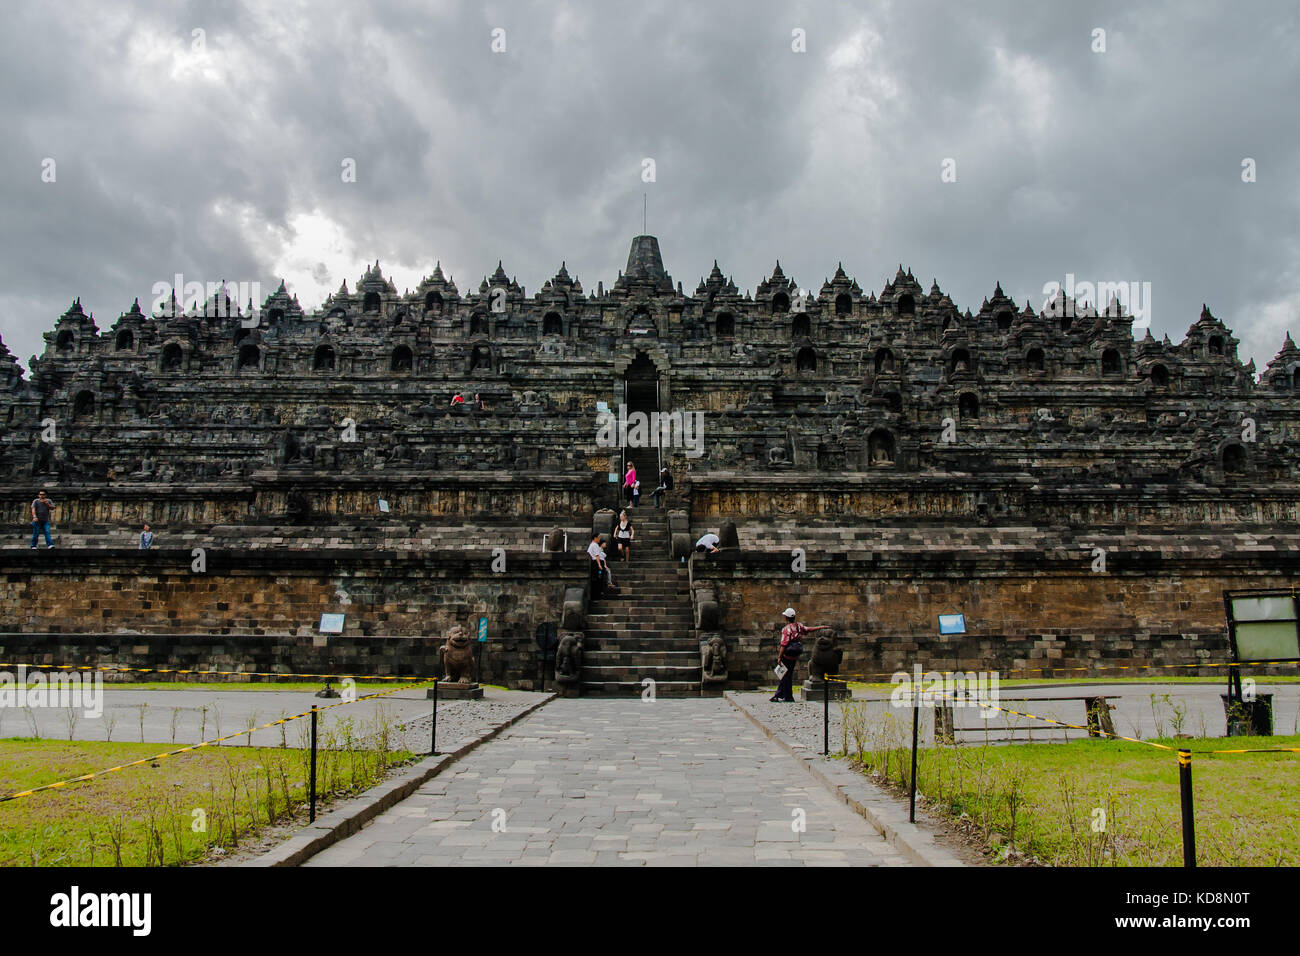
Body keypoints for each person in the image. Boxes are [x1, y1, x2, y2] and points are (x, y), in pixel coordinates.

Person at [771, 607, 832, 702]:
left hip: (787, 654)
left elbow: (784, 644)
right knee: (786, 674)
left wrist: (779, 657)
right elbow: (809, 629)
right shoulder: (799, 626)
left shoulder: (786, 629)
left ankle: (787, 696)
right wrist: (821, 627)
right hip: (795, 654)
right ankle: (779, 694)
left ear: (786, 618)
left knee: (785, 675)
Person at [587, 532, 616, 599]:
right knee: (598, 578)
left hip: (596, 563)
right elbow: (597, 556)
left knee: (599, 578)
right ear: (595, 538)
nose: (599, 539)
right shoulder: (594, 545)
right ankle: (597, 595)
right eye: (599, 537)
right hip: (597, 563)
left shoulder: (593, 545)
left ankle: (598, 593)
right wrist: (599, 564)